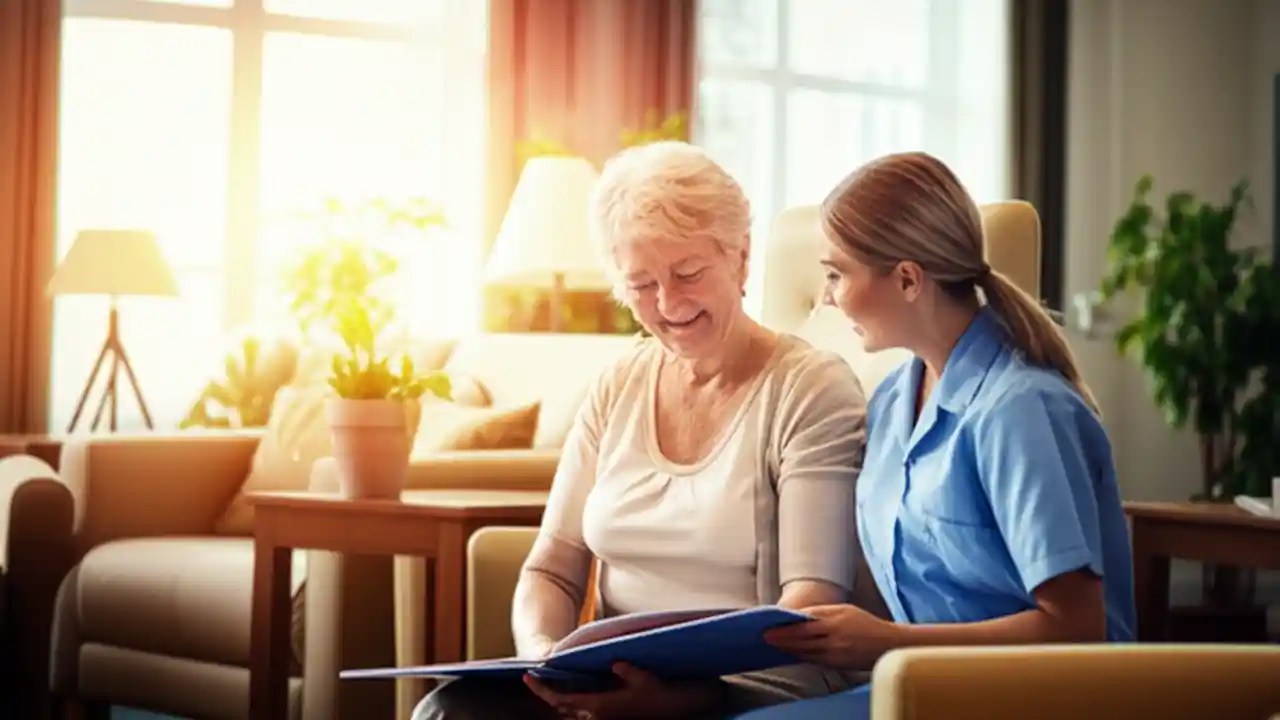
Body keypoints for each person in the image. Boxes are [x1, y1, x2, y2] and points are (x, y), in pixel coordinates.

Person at [412, 141, 884, 720]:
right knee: (447, 710)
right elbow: (551, 566)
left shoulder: (809, 388)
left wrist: (681, 699)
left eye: (687, 273)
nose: (667, 303)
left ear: (740, 258)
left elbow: (811, 606)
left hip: (757, 691)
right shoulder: (619, 382)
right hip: (610, 687)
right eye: (640, 284)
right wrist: (542, 663)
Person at [733, 151, 1136, 719]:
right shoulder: (894, 400)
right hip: (924, 691)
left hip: (1033, 701)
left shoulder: (1019, 411)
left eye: (835, 274)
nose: (825, 297)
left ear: (906, 279)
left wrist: (885, 641)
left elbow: (1076, 627)